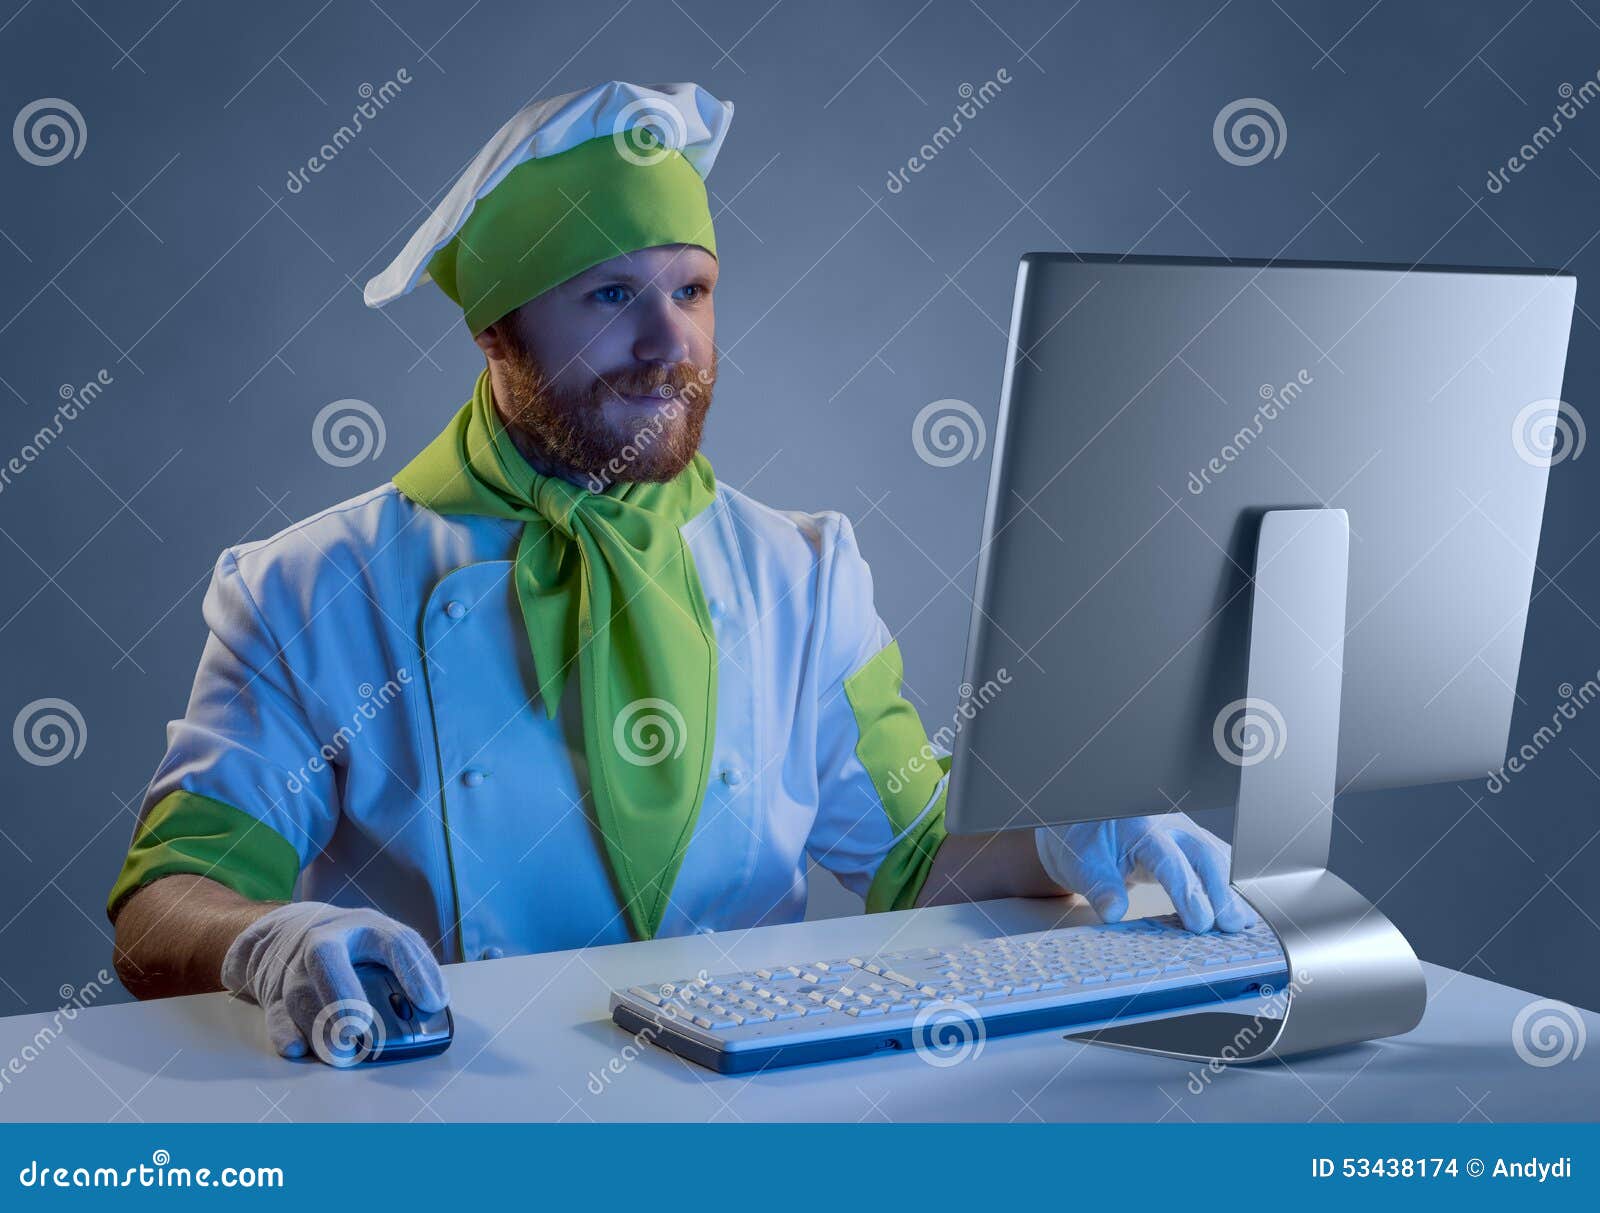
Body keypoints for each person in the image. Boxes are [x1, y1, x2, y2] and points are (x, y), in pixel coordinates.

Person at [107, 81, 1250, 1065]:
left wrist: (1065, 838)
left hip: (754, 1122)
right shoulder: (314, 589)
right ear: (495, 332)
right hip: (450, 1127)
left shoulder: (800, 572)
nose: (671, 346)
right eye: (610, 295)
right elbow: (165, 903)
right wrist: (266, 945)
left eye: (691, 291)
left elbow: (908, 858)